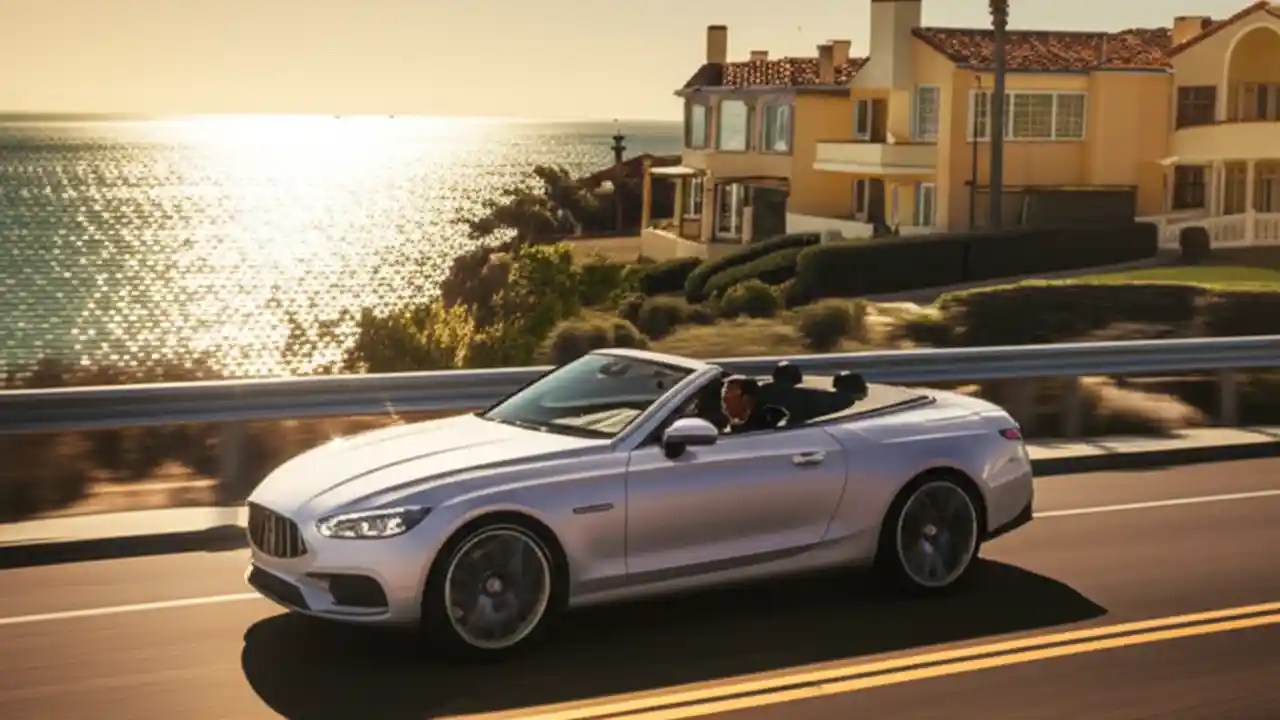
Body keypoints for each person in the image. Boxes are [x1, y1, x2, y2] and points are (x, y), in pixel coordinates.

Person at [721, 375, 786, 434]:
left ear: (746, 399)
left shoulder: (770, 422)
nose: (723, 401)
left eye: (727, 394)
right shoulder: (733, 426)